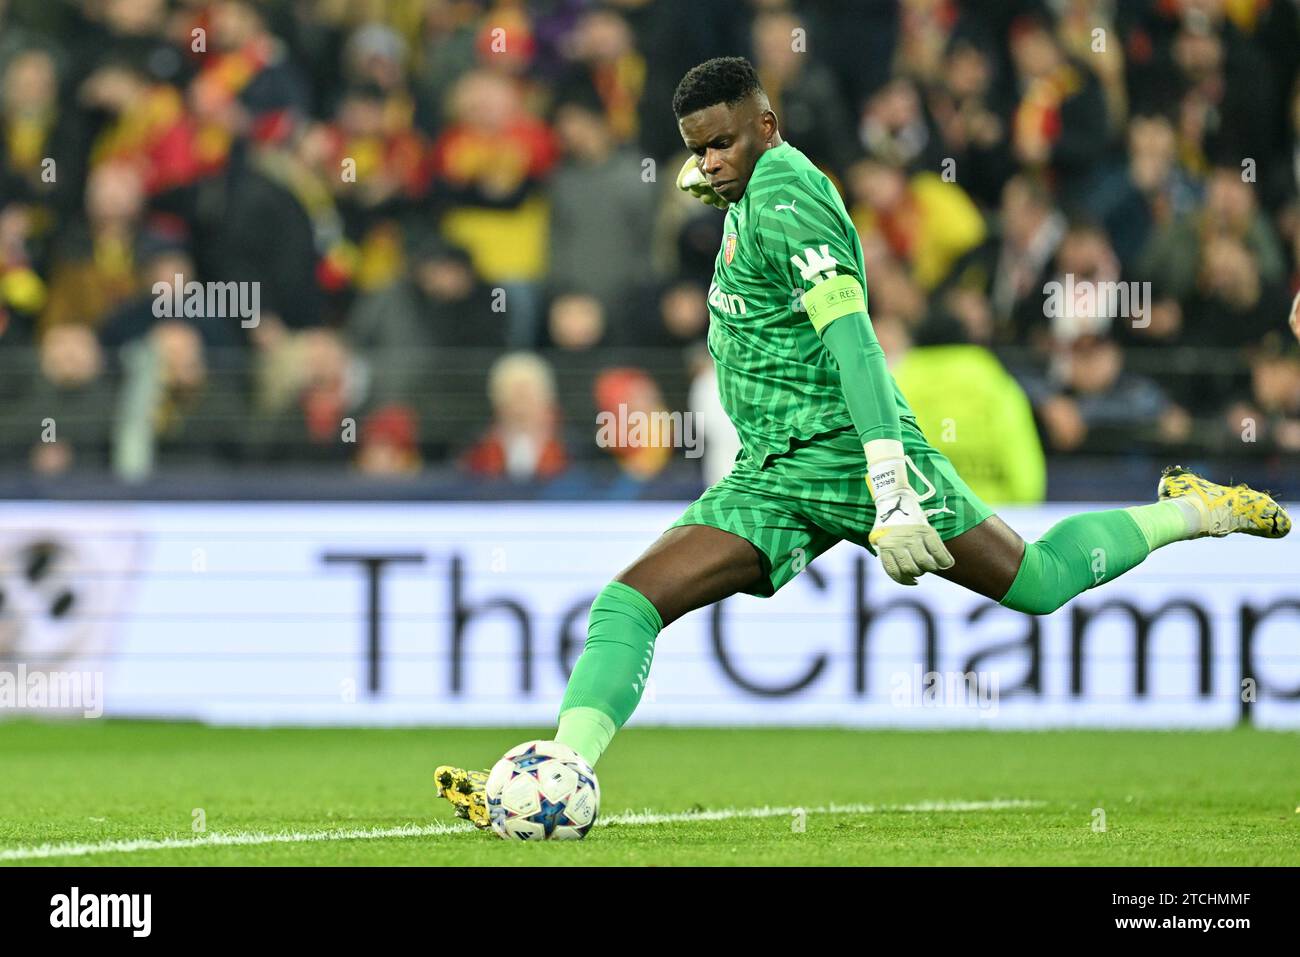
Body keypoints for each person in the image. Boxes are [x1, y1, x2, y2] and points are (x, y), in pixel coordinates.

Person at [434, 57, 1291, 831]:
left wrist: (890, 484)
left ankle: (1191, 511)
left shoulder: (787, 199)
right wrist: (722, 186)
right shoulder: (743, 189)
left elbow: (856, 344)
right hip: (770, 471)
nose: (712, 162)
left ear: (768, 126)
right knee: (627, 603)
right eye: (699, 151)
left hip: (850, 451)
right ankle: (560, 771)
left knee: (1036, 582)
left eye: (727, 143)